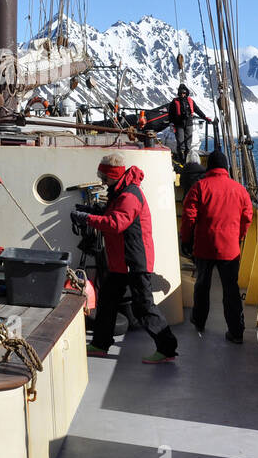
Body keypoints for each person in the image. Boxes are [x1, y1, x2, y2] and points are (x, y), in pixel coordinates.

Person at [73, 152, 179, 364]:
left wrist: (88, 219)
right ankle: (100, 344)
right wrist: (93, 211)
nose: (102, 181)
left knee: (143, 305)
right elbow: (114, 214)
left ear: (113, 175)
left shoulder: (129, 195)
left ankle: (167, 348)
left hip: (133, 260)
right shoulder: (121, 190)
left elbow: (116, 224)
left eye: (104, 177)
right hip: (122, 261)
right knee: (108, 300)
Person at [180, 150, 254, 343]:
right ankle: (236, 332)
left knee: (202, 285)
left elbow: (189, 217)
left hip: (204, 246)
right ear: (225, 167)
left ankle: (199, 321)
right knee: (231, 289)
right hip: (229, 247)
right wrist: (238, 236)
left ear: (209, 166)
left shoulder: (199, 187)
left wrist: (186, 240)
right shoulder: (239, 189)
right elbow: (247, 217)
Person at [167, 84, 212, 163]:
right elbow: (170, 114)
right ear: (179, 93)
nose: (182, 95)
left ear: (186, 93)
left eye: (184, 93)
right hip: (179, 125)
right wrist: (171, 123)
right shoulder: (174, 102)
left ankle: (186, 161)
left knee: (188, 144)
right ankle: (181, 161)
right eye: (181, 93)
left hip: (189, 125)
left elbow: (197, 110)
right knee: (180, 144)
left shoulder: (190, 101)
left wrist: (205, 118)